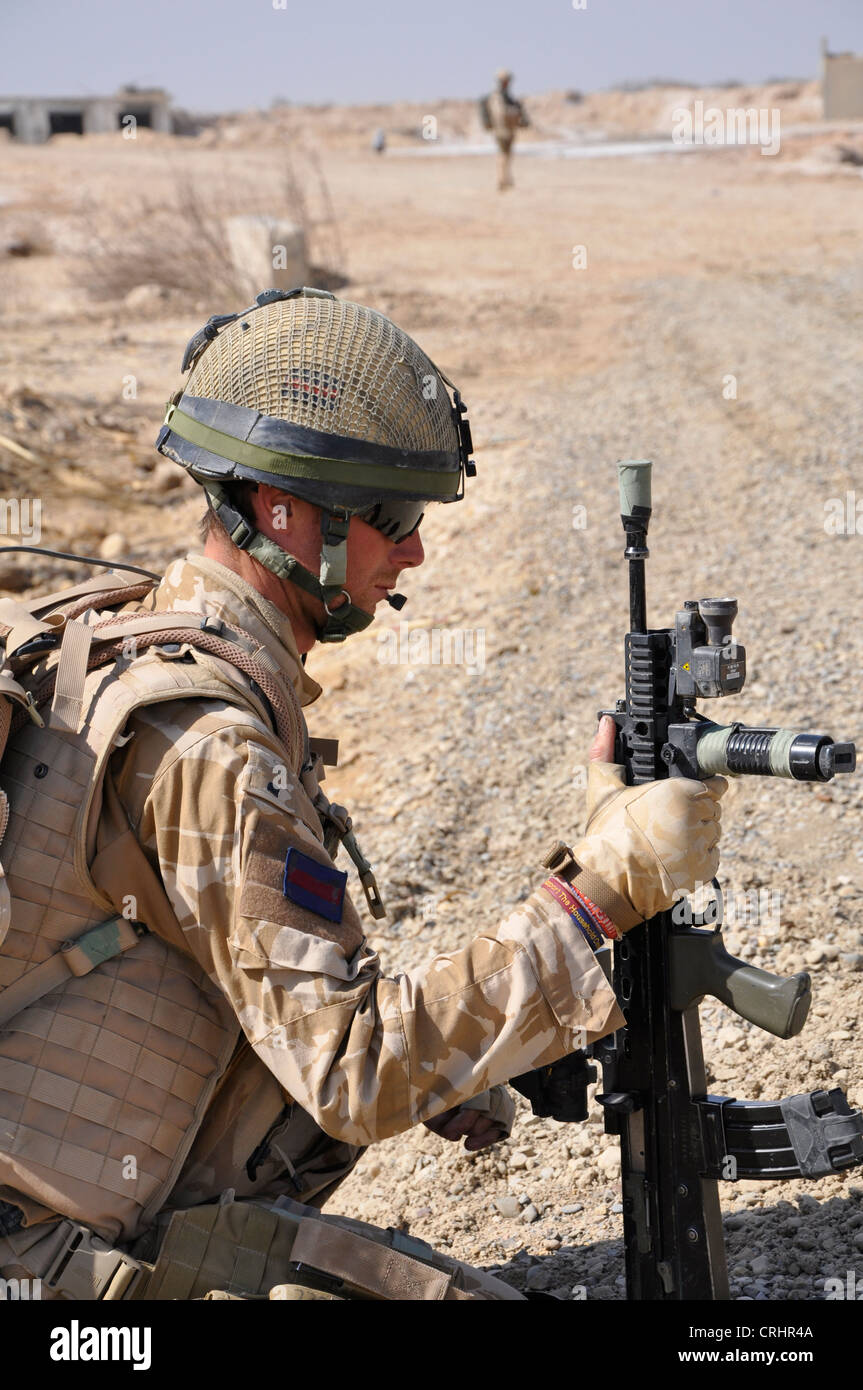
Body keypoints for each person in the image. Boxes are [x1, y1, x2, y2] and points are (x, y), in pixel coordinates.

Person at [0, 287, 725, 1301]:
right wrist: (597, 893)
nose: (415, 550)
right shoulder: (209, 742)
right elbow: (350, 1070)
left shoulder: (159, 644)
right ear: (277, 509)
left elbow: (265, 973)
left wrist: (473, 1056)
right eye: (390, 518)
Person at [480, 69, 529, 191]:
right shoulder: (497, 97)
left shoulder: (506, 97)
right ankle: (502, 180)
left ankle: (505, 179)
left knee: (507, 156)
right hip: (502, 131)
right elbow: (502, 113)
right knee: (503, 156)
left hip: (508, 130)